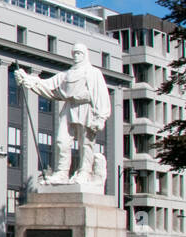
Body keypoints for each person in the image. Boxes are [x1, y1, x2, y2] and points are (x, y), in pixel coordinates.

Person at [13, 45, 112, 187]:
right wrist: (27, 79)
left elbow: (101, 94)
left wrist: (100, 117)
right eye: (74, 53)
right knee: (61, 141)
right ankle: (62, 172)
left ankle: (85, 171)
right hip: (69, 108)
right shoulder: (66, 75)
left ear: (85, 54)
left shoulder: (93, 72)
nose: (76, 56)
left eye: (79, 53)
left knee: (86, 143)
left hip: (86, 108)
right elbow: (47, 85)